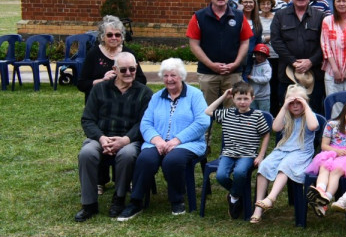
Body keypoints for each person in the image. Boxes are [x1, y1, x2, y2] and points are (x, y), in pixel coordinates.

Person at [119, 59, 210, 221]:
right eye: (166, 76)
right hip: (157, 142)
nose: (169, 79)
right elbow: (146, 123)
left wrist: (177, 140)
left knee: (172, 160)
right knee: (145, 159)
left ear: (181, 76)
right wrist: (158, 141)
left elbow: (203, 122)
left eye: (173, 75)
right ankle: (136, 201)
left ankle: (177, 200)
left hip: (188, 143)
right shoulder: (156, 97)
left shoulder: (195, 95)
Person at [75, 51, 152, 222]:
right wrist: (101, 138)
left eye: (132, 69)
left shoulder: (145, 93)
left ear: (136, 68)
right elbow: (87, 119)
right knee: (86, 153)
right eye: (123, 70)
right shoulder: (99, 89)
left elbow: (145, 123)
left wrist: (125, 140)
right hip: (101, 137)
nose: (128, 73)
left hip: (129, 140)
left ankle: (119, 199)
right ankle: (89, 204)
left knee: (127, 155)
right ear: (114, 70)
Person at [251, 85, 320, 223]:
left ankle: (271, 198)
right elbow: (275, 128)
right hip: (282, 149)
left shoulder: (308, 116)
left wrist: (306, 106)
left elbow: (314, 126)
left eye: (298, 103)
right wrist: (284, 107)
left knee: (285, 166)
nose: (295, 106)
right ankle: (258, 208)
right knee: (265, 165)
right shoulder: (286, 115)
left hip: (301, 152)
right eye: (291, 103)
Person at [205, 83, 271, 219]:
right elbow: (208, 111)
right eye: (239, 98)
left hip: (247, 155)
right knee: (221, 176)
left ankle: (234, 196)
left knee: (240, 173)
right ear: (233, 99)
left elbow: (266, 134)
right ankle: (237, 194)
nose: (242, 102)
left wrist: (261, 155)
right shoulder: (227, 113)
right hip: (228, 153)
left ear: (252, 99)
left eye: (246, 98)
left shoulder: (257, 115)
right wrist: (224, 96)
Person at [188, 0, 254, 105]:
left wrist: (235, 63)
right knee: (206, 110)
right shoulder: (198, 17)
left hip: (233, 73)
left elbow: (245, 42)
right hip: (207, 73)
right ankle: (208, 125)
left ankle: (230, 126)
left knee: (233, 110)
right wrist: (211, 65)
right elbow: (194, 44)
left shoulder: (239, 16)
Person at [305, 98, 346, 215]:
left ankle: (326, 198)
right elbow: (324, 145)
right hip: (332, 152)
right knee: (324, 167)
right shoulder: (331, 124)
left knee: (336, 170)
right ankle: (320, 190)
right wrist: (335, 151)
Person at [271, 0, 326, 106]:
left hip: (314, 73)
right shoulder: (280, 16)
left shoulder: (320, 16)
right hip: (287, 74)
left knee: (313, 109)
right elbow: (276, 41)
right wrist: (293, 62)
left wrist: (310, 61)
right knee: (288, 109)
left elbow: (325, 43)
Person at [78, 15, 147, 100]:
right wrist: (103, 80)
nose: (114, 38)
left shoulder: (128, 54)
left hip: (124, 100)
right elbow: (82, 84)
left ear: (122, 37)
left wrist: (122, 79)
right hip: (99, 101)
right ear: (102, 37)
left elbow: (142, 80)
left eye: (117, 35)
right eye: (110, 35)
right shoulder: (93, 54)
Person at [246, 43, 272, 111]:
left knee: (264, 115)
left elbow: (266, 79)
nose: (260, 57)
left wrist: (252, 78)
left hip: (263, 96)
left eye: (262, 55)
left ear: (266, 56)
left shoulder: (266, 66)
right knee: (253, 113)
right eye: (258, 54)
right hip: (253, 96)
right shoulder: (252, 64)